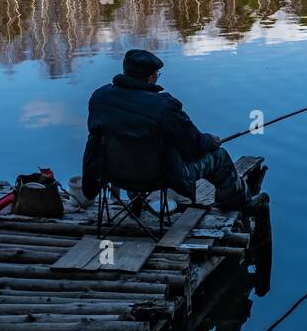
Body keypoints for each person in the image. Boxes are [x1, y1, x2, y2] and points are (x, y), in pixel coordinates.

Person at [81, 49, 263, 213]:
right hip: (156, 177)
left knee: (130, 148)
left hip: (112, 173)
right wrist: (210, 141)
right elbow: (193, 146)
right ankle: (242, 206)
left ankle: (136, 201)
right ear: (151, 77)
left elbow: (97, 139)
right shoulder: (165, 107)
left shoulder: (99, 98)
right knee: (220, 156)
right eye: (157, 74)